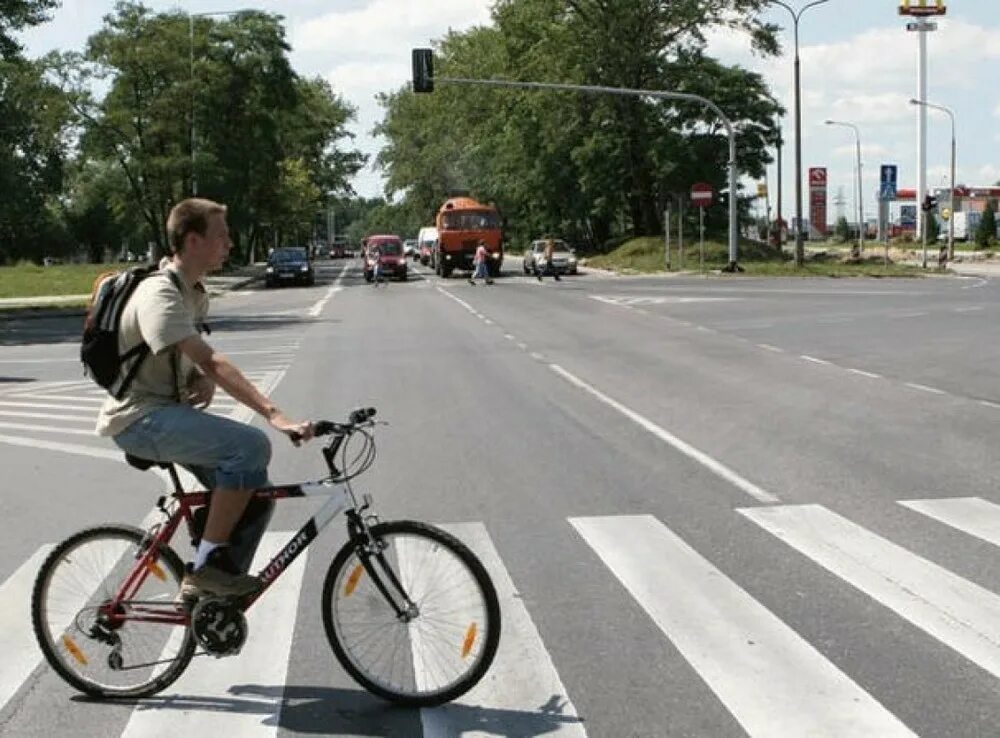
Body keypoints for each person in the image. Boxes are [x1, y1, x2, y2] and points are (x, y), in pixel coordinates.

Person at [96, 197, 313, 599]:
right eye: (222, 236)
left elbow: (188, 360)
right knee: (252, 445)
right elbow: (210, 358)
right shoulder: (158, 294)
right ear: (193, 241)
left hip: (166, 412)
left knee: (257, 495)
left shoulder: (193, 292)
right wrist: (274, 414)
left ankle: (214, 596)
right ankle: (204, 572)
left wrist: (199, 378)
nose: (229, 244)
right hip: (140, 419)